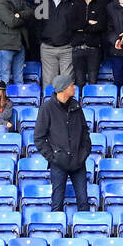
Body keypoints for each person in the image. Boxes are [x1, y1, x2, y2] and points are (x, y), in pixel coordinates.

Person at [34, 74, 91, 212]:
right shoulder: (47, 108)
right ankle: (54, 233)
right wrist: (53, 157)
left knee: (84, 202)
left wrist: (83, 153)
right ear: (64, 89)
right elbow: (39, 137)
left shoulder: (76, 106)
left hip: (78, 162)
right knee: (57, 204)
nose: (74, 87)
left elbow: (85, 132)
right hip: (58, 163)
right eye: (71, 85)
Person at [0, 0, 32, 85]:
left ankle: (19, 102)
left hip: (20, 44)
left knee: (19, 79)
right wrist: (22, 17)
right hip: (6, 45)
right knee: (4, 79)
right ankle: (5, 102)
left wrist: (18, 14)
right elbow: (12, 22)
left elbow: (30, 12)